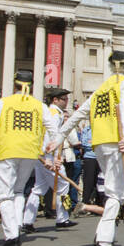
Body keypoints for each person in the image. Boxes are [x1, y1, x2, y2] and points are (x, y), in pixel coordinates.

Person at [51, 52, 124, 246]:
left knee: (115, 190)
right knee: (117, 193)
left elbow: (77, 115)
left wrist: (60, 137)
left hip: (99, 143)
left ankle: (102, 234)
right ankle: (104, 242)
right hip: (116, 141)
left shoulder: (100, 89)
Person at [0, 70, 49, 246]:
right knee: (18, 190)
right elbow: (53, 129)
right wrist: (50, 149)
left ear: (14, 84)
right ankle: (16, 225)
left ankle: (11, 236)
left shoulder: (3, 102)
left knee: (5, 195)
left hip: (8, 151)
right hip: (30, 152)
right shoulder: (39, 105)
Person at [40, 87, 78, 228]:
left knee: (39, 187)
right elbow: (51, 136)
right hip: (48, 154)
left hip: (43, 154)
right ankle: (62, 218)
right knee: (63, 185)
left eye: (67, 99)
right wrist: (54, 156)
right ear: (55, 100)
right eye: (63, 99)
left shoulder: (54, 113)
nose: (66, 101)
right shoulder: (54, 114)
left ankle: (27, 221)